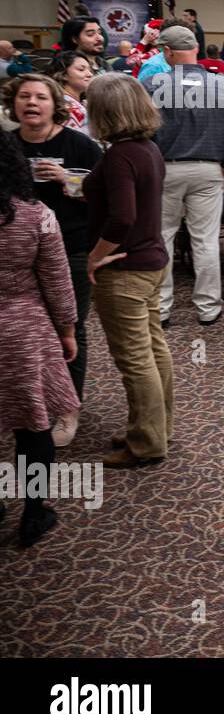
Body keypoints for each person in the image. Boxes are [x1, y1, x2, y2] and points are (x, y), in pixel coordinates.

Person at [5, 72, 102, 445]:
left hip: (71, 248)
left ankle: (67, 408)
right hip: (13, 255)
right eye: (25, 97)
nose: (32, 103)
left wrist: (68, 179)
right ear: (14, 104)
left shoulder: (80, 145)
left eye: (41, 97)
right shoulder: (6, 145)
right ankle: (22, 404)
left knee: (70, 327)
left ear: (54, 105)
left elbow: (102, 196)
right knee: (20, 334)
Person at [82, 73, 174, 469]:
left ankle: (147, 441)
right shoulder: (146, 147)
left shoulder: (120, 155)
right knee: (153, 349)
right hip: (150, 261)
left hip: (125, 268)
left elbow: (121, 218)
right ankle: (154, 427)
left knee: (135, 358)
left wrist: (94, 256)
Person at [142, 24, 224, 327]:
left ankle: (162, 309)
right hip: (208, 169)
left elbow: (138, 132)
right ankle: (208, 308)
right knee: (205, 241)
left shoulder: (151, 84)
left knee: (162, 239)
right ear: (195, 50)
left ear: (168, 52)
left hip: (164, 169)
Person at [0, 130, 78, 543]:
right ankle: (33, 514)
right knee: (34, 427)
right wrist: (67, 330)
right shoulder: (35, 215)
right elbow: (58, 283)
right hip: (24, 332)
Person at [49, 50, 94, 134]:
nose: (90, 74)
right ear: (63, 74)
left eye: (90, 70)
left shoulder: (61, 100)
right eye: (81, 69)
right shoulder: (71, 108)